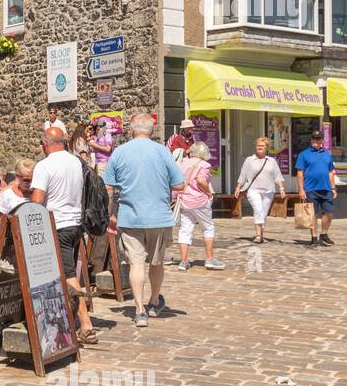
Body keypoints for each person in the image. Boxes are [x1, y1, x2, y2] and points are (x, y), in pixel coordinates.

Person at [104, 114, 185, 328]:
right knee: (156, 262)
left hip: (130, 217)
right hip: (158, 216)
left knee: (136, 263)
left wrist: (110, 214)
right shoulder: (162, 152)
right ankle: (154, 300)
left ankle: (139, 311)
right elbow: (179, 184)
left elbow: (108, 187)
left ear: (131, 130)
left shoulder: (119, 152)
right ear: (151, 130)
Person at [30, 128, 97, 343]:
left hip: (58, 225)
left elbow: (38, 201)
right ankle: (67, 316)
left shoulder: (44, 165)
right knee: (70, 273)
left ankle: (86, 325)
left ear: (44, 143)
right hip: (77, 224)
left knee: (68, 275)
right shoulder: (76, 162)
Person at [175, 142, 224, 272]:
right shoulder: (204, 165)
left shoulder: (183, 163)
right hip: (199, 200)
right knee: (208, 228)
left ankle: (184, 261)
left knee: (185, 229)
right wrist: (209, 193)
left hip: (185, 199)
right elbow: (201, 181)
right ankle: (209, 259)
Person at [235, 137, 285, 244]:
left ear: (267, 148)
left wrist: (281, 188)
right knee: (258, 209)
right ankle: (258, 235)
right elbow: (243, 175)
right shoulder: (249, 160)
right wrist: (238, 187)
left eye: (262, 146)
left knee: (264, 212)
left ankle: (261, 234)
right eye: (258, 145)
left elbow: (278, 176)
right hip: (253, 190)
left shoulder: (271, 161)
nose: (260, 147)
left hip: (268, 190)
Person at [296, 129, 336, 246]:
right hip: (310, 189)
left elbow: (330, 172)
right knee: (312, 214)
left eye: (318, 139)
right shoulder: (303, 154)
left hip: (326, 188)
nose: (316, 141)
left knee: (329, 213)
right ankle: (314, 237)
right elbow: (299, 173)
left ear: (322, 140)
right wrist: (301, 189)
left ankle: (323, 234)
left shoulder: (327, 154)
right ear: (311, 140)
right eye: (314, 139)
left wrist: (333, 188)